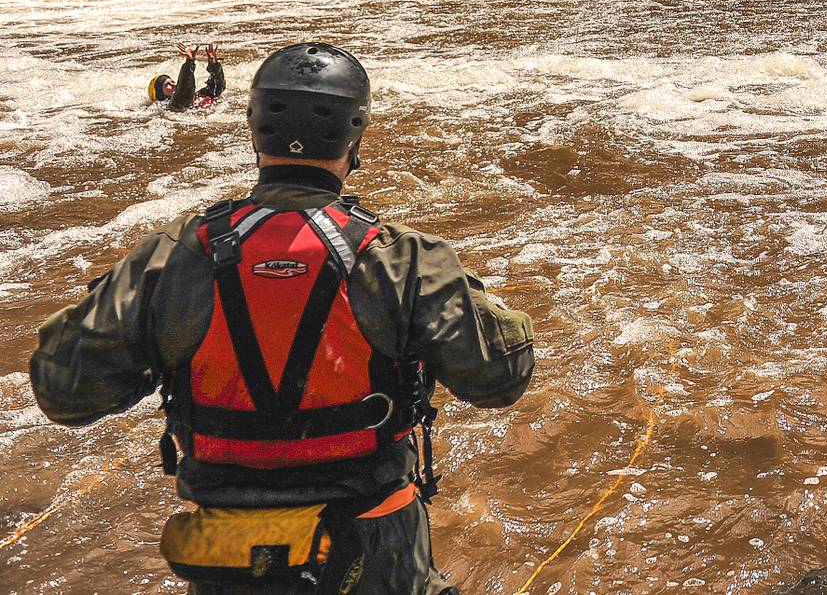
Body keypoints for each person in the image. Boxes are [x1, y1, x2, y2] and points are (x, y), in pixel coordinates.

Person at [32, 43, 536, 593]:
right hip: (372, 540)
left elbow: (65, 391)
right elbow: (500, 378)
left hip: (228, 554)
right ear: (355, 139)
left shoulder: (173, 256)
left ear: (253, 132)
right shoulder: (401, 259)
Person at [149, 44, 227, 110]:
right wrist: (189, 62)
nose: (172, 84)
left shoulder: (197, 95)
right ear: (160, 94)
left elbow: (218, 88)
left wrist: (214, 65)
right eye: (166, 85)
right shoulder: (173, 105)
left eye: (172, 81)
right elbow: (184, 90)